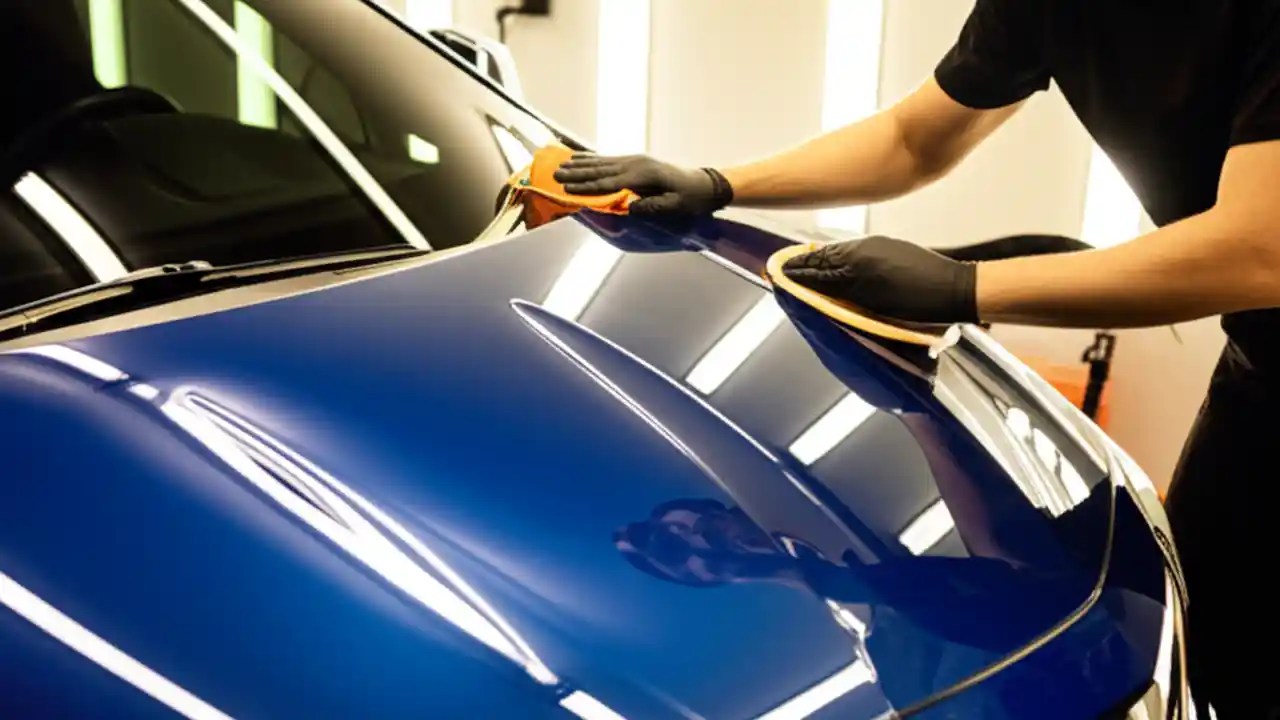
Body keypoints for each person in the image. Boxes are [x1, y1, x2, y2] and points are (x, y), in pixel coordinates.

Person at [556, 1, 1280, 715]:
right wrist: (720, 183)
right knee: (1205, 641)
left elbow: (1260, 251)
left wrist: (963, 288)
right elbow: (915, 138)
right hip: (1261, 369)